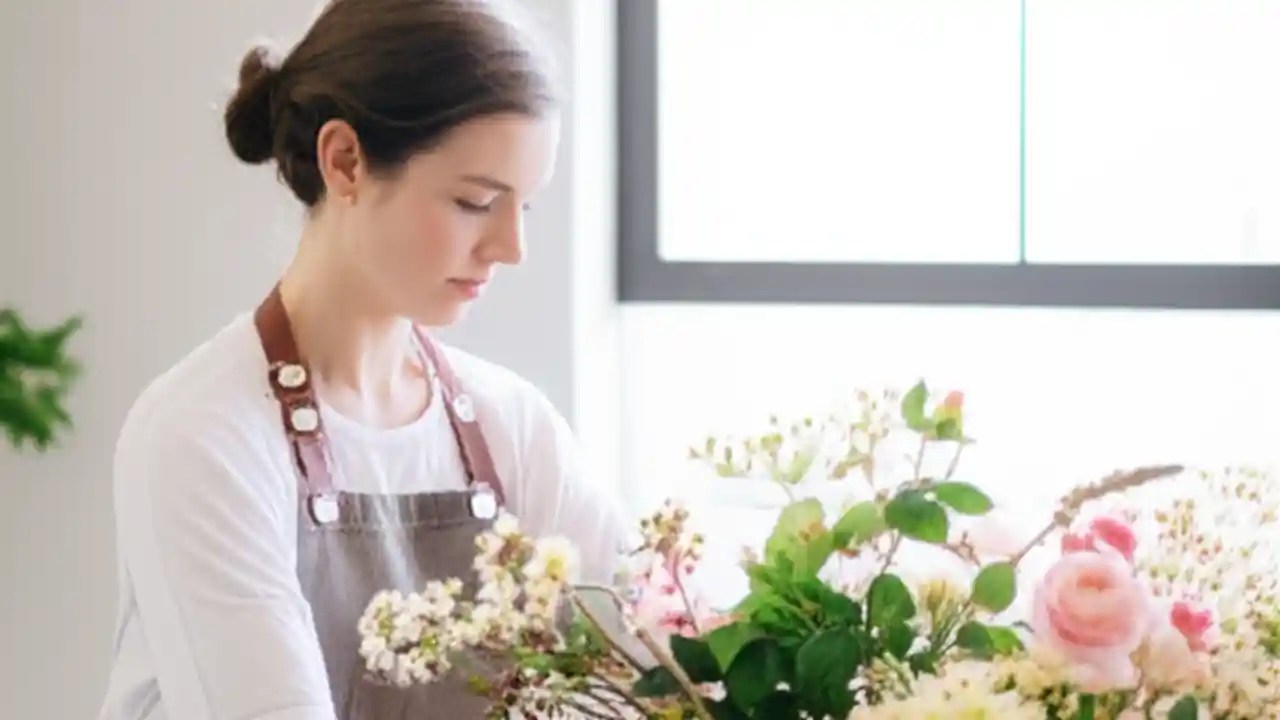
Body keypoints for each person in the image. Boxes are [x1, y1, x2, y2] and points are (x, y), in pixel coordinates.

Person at [96, 1, 625, 717]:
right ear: (344, 161)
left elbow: (649, 661)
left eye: (523, 208)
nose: (510, 248)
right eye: (476, 202)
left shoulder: (515, 428)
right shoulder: (203, 436)